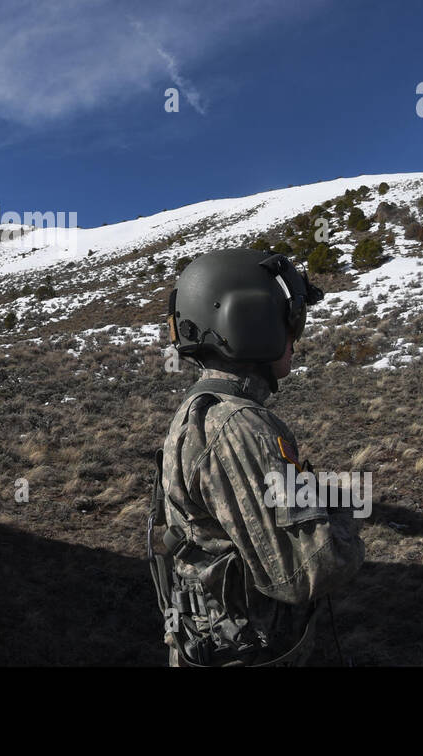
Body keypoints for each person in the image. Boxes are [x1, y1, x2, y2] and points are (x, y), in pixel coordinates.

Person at [149, 248, 365, 666]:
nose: (294, 336)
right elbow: (308, 570)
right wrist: (344, 517)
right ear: (249, 321)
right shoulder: (240, 428)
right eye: (287, 320)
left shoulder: (204, 408)